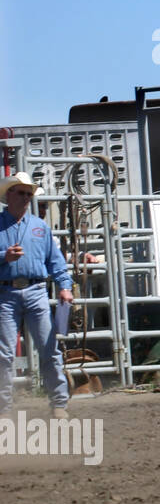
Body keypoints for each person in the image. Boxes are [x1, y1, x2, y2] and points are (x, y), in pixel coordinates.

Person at [0, 172, 74, 419]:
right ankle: (3, 408)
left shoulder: (40, 227)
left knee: (50, 348)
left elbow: (56, 261)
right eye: (20, 193)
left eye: (28, 194)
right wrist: (4, 257)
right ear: (8, 194)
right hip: (5, 293)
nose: (25, 198)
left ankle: (59, 403)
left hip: (36, 291)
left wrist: (64, 286)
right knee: (4, 354)